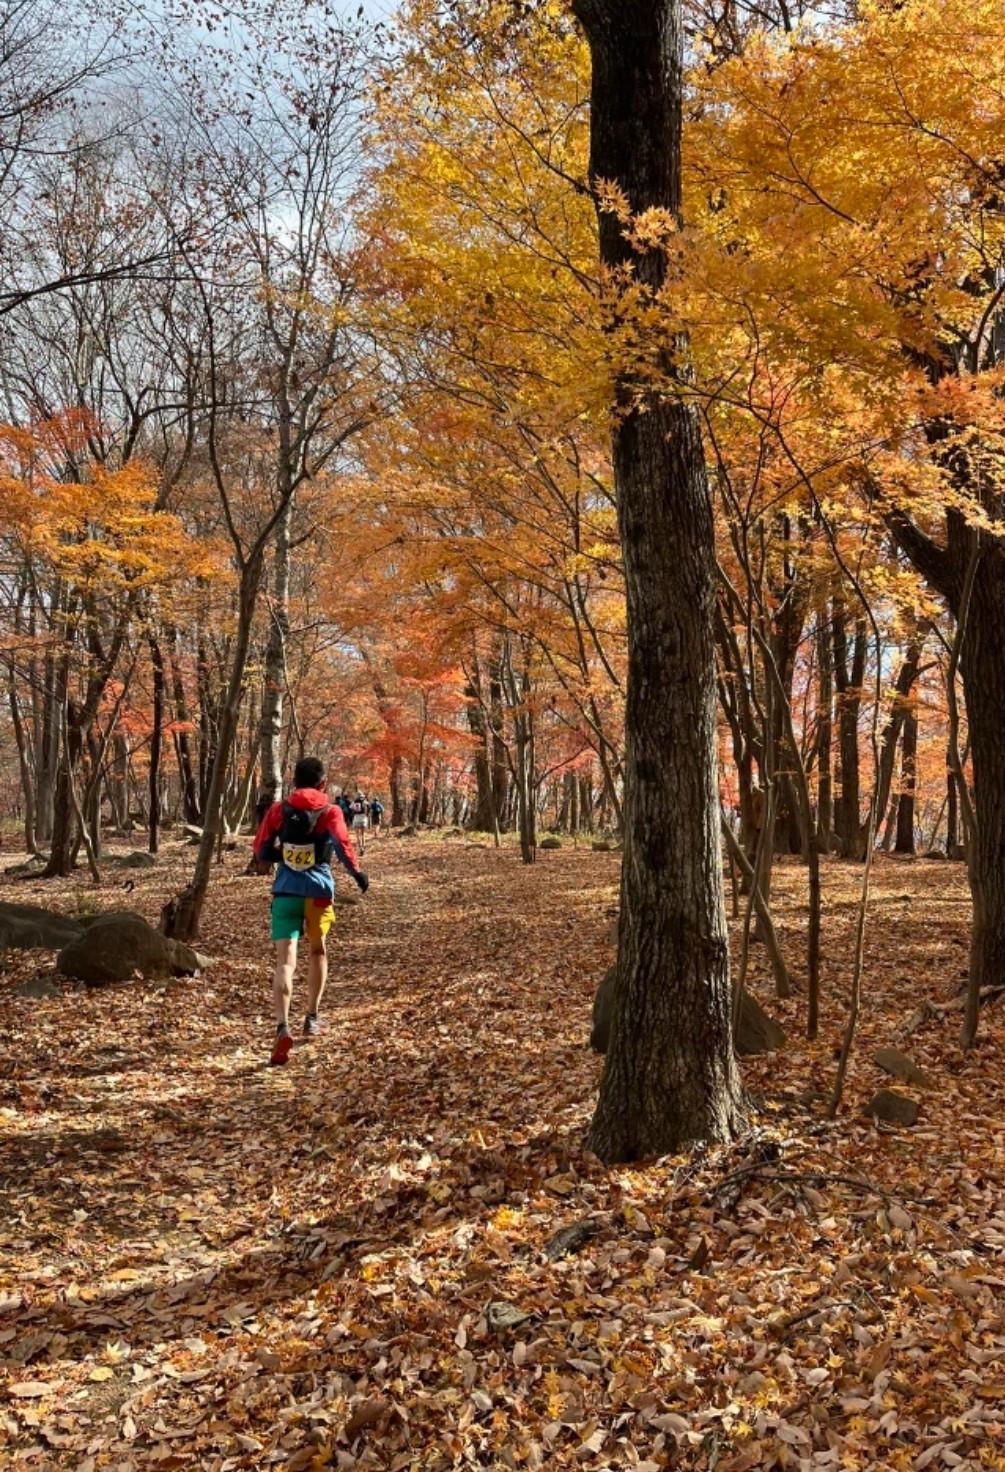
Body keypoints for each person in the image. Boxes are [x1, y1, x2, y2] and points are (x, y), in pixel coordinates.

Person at [253, 756, 368, 1066]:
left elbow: (261, 849)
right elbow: (343, 846)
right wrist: (358, 874)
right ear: (323, 783)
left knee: (285, 961)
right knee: (318, 951)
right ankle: (312, 1018)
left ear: (294, 782)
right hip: (318, 892)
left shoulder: (279, 810)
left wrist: (282, 855)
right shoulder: (330, 811)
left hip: (286, 891)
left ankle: (282, 1026)